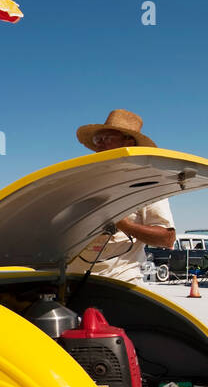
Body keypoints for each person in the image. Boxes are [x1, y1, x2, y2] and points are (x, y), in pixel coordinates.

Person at [66, 109, 176, 282]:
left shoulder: (147, 183)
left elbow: (167, 238)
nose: (99, 144)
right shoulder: (85, 180)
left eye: (106, 138)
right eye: (97, 139)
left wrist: (121, 223)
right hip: (73, 278)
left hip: (119, 281)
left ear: (129, 142)